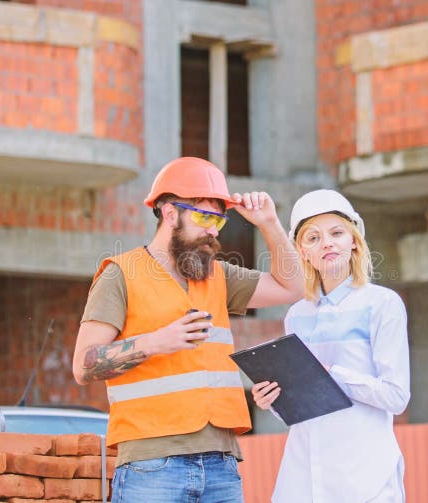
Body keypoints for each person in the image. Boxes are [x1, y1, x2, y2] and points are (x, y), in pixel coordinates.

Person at [72, 156, 304, 503]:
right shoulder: (120, 274)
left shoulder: (219, 276)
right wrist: (155, 342)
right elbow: (84, 365)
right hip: (152, 466)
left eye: (219, 221)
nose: (213, 230)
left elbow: (294, 287)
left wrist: (269, 223)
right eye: (203, 217)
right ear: (169, 213)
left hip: (221, 465)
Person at [252, 189, 410, 503]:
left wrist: (331, 374)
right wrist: (273, 399)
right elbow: (301, 411)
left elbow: (396, 396)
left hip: (365, 475)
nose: (326, 243)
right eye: (313, 238)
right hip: (303, 475)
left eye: (337, 233)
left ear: (354, 241)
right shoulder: (297, 315)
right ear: (302, 252)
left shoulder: (382, 304)